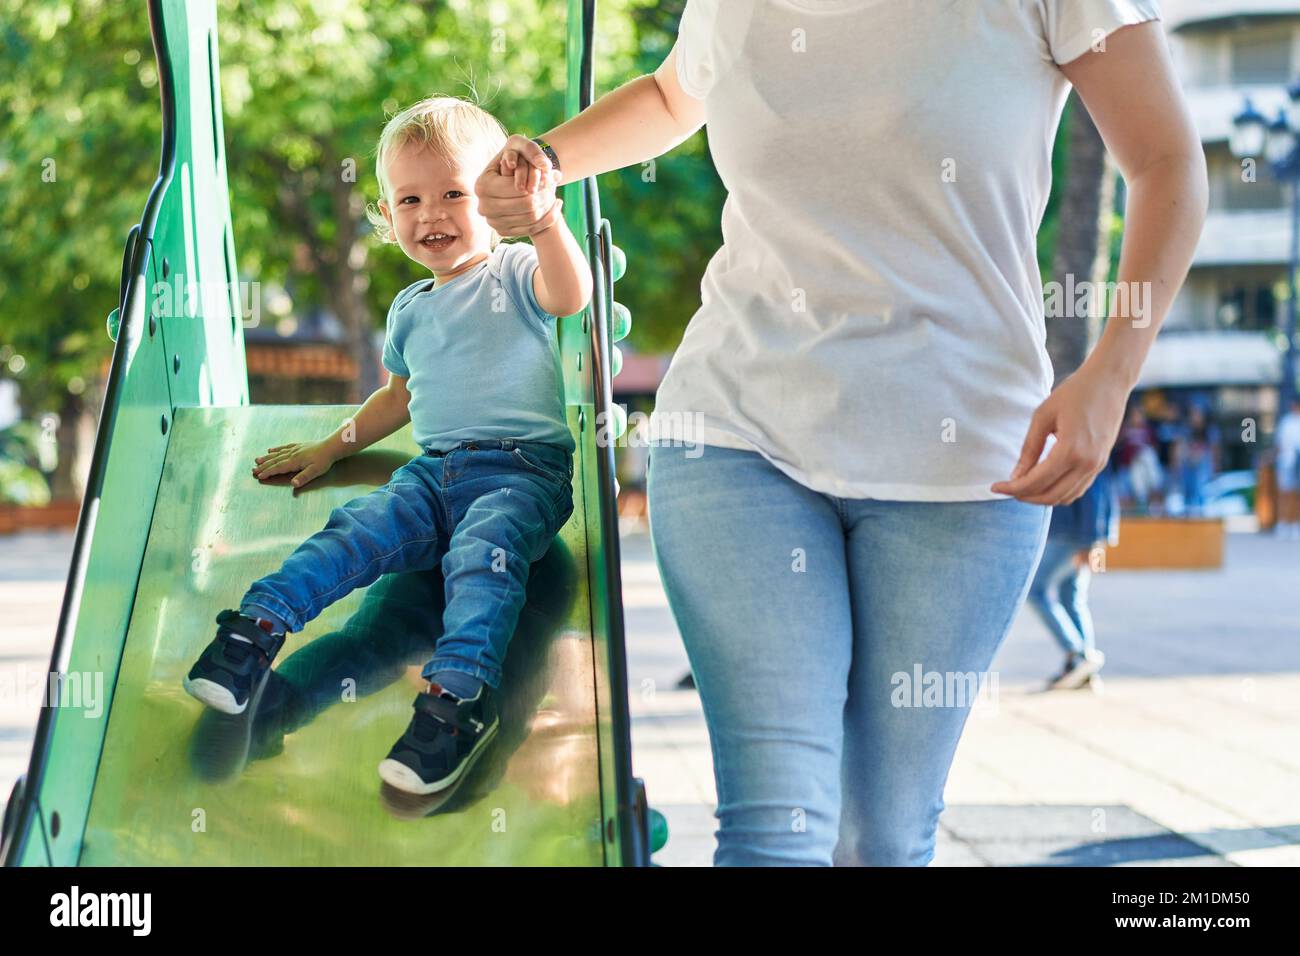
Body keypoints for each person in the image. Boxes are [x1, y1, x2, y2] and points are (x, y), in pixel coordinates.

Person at [477, 0, 1206, 865]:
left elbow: (1165, 163)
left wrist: (1110, 376)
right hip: (734, 433)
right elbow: (675, 98)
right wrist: (547, 162)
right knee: (777, 825)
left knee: (880, 836)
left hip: (968, 461)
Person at [182, 97, 590, 797]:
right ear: (386, 212)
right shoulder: (410, 308)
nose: (430, 214)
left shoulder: (516, 273)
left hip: (522, 474)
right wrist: (332, 448)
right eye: (410, 199)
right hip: (436, 474)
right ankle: (251, 635)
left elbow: (571, 295)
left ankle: (452, 705)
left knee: (480, 554)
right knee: (356, 530)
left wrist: (545, 218)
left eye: (453, 194)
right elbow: (397, 400)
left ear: (492, 200)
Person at [1027, 461, 1121, 690]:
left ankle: (1077, 653)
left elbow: (1093, 492)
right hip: (1078, 533)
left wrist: (1089, 542)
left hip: (1072, 535)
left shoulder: (1080, 437)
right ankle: (1084, 673)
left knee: (1035, 589)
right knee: (1070, 596)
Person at [1276, 396, 1300, 539]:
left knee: (1297, 495)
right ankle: (1283, 523)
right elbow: (1280, 444)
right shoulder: (1286, 422)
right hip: (1287, 462)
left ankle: (1296, 524)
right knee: (1285, 494)